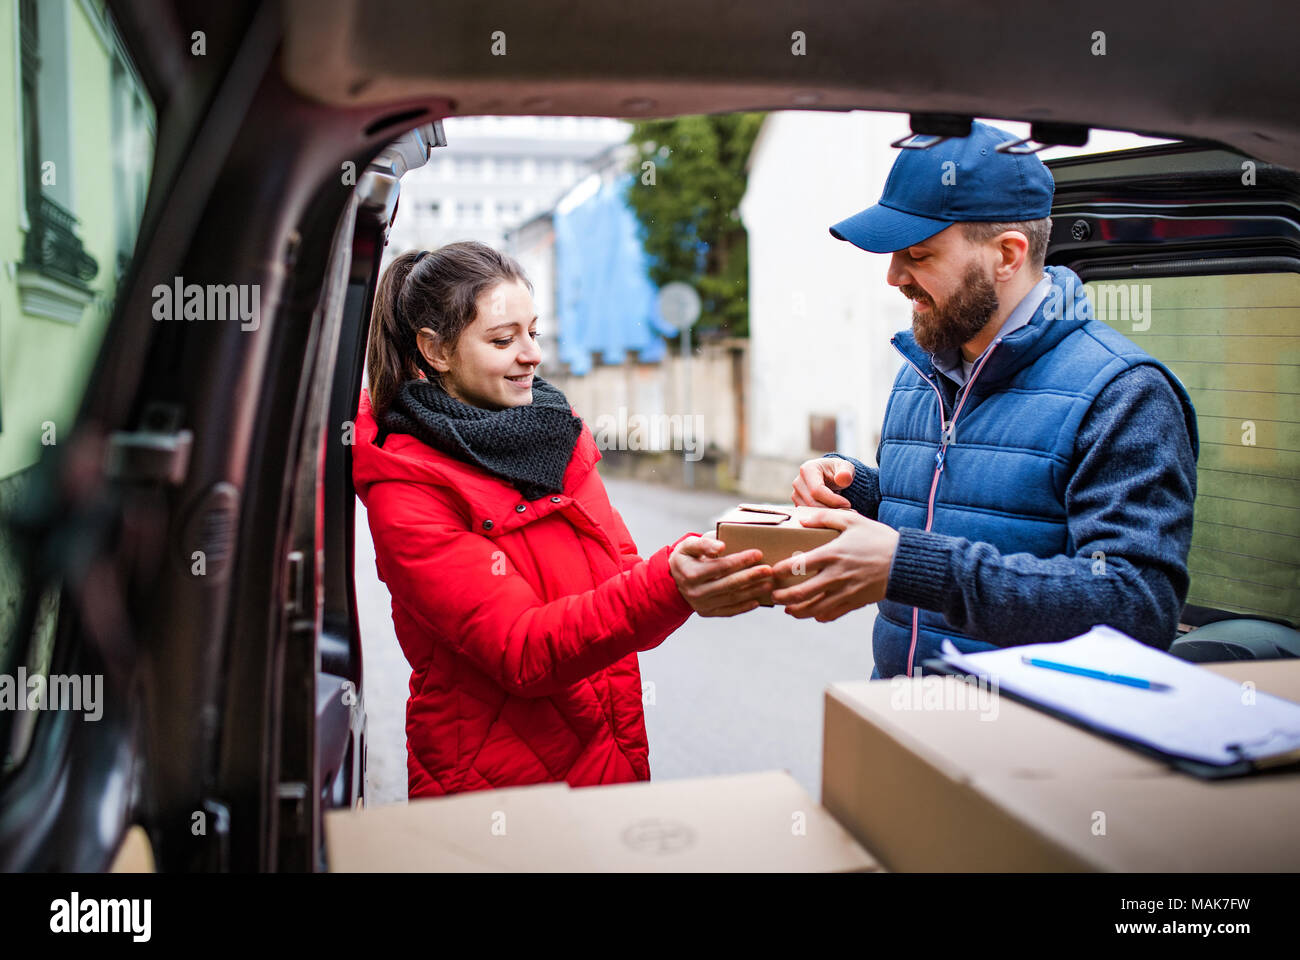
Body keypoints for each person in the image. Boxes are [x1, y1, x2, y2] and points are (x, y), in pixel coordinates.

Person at [770, 121, 1200, 679]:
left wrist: (911, 566)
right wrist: (856, 491)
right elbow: (962, 512)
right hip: (898, 722)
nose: (893, 276)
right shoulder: (923, 371)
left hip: (1030, 749)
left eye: (918, 255)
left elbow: (1135, 604)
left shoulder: (1123, 393)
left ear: (1007, 255)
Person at [352, 241, 771, 797]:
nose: (531, 354)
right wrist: (668, 584)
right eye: (503, 340)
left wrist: (697, 571)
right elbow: (521, 650)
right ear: (436, 350)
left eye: (534, 332)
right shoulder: (407, 484)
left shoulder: (554, 436)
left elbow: (623, 585)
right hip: (495, 790)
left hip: (608, 762)